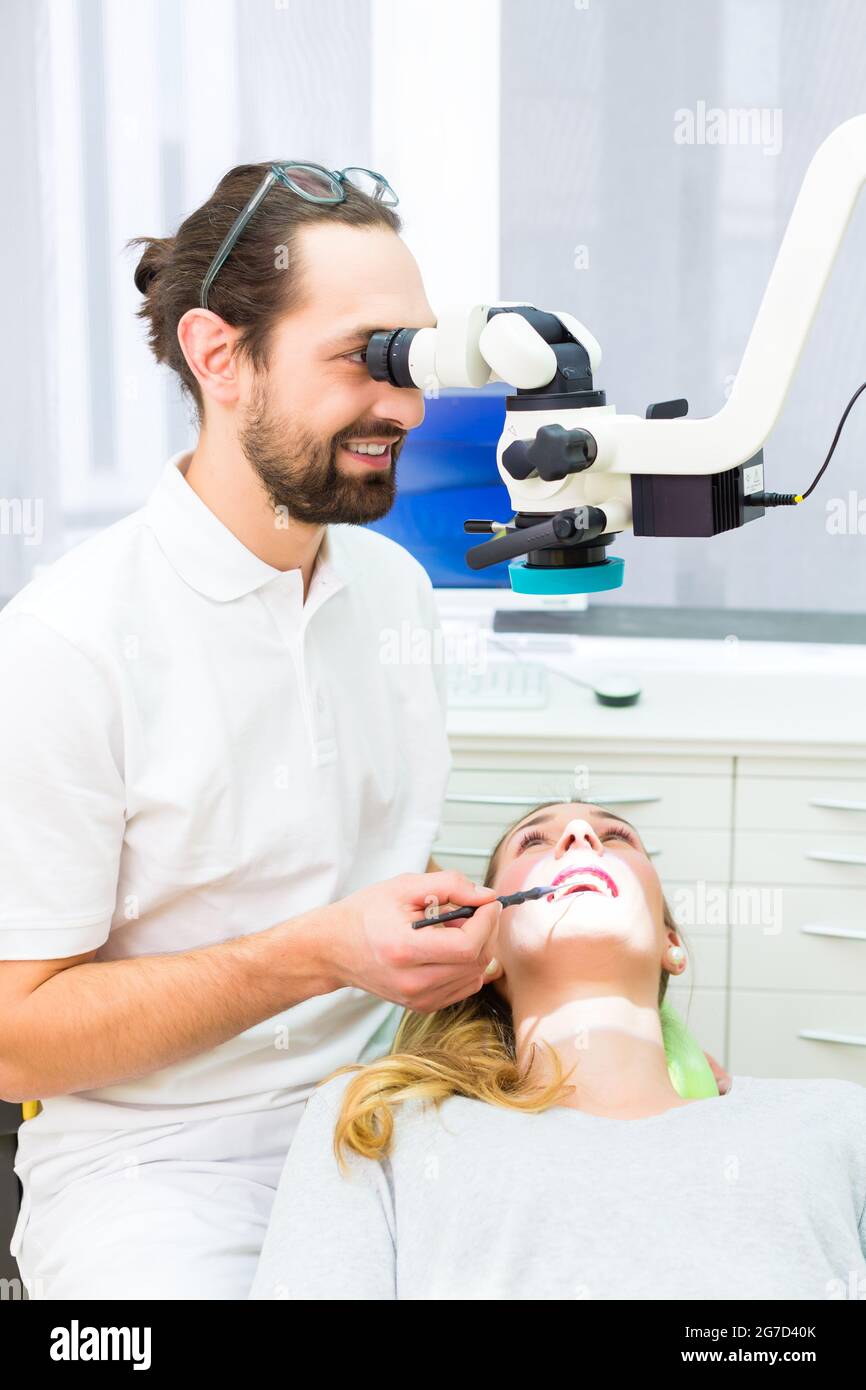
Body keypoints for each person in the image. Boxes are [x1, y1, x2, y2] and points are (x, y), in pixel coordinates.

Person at [0, 162, 505, 1299]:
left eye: (412, 359)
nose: (405, 408)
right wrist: (319, 952)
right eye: (361, 359)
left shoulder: (389, 591)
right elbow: (14, 1037)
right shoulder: (64, 647)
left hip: (393, 1115)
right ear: (218, 356)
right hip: (161, 1168)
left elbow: (346, 862)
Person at [250, 800, 866, 1301]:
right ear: (483, 952)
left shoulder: (834, 1123)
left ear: (671, 944)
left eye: (617, 836)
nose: (577, 835)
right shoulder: (376, 1121)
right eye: (533, 842)